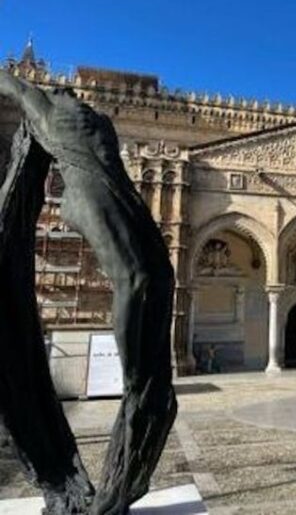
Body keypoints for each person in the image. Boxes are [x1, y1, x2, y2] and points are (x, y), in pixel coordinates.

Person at [0, 71, 177, 513]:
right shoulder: (70, 116)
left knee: (154, 277)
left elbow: (14, 86)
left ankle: (140, 394)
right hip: (96, 203)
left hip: (110, 202)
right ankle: (136, 380)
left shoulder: (67, 114)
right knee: (139, 279)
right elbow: (14, 88)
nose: (64, 90)